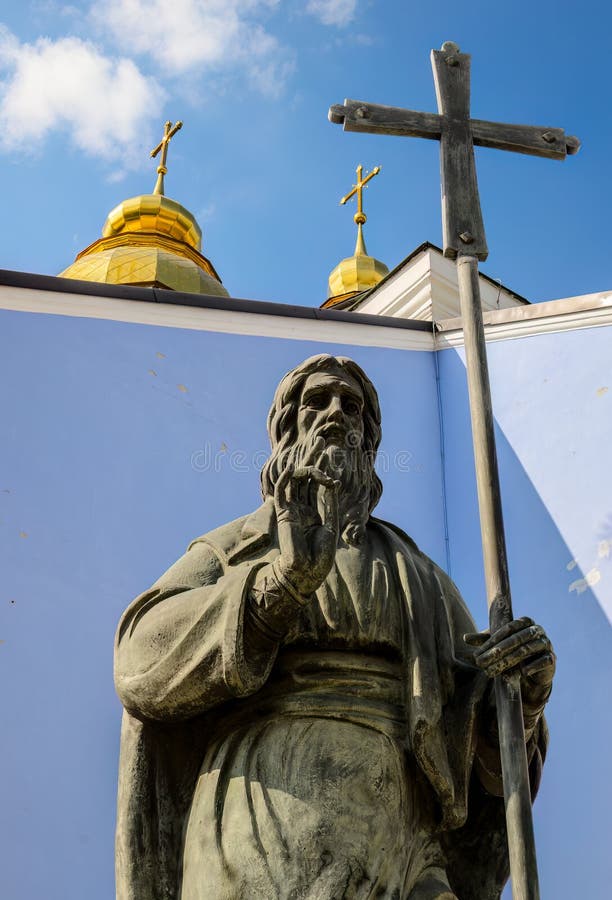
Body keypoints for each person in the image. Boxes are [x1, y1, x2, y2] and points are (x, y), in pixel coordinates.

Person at [114, 354, 554, 900]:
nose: (335, 414)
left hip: (404, 838)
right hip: (261, 818)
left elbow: (476, 734)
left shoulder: (421, 579)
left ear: (370, 443)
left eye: (352, 406)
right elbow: (139, 656)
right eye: (316, 401)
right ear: (286, 430)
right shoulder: (233, 550)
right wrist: (279, 585)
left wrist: (520, 696)